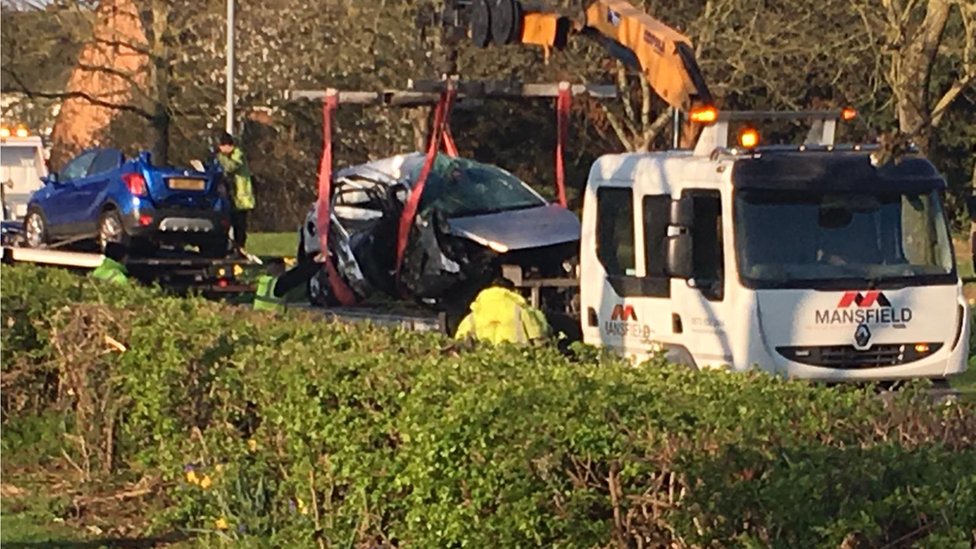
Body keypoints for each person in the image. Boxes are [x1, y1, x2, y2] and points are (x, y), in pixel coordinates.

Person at [454, 276, 550, 345]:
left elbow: (460, 339)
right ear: (512, 291)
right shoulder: (520, 310)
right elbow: (538, 337)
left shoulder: (475, 312)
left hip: (484, 363)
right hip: (517, 360)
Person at [215, 132, 255, 253]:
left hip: (241, 198)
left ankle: (240, 248)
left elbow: (231, 167)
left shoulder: (238, 154)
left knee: (240, 225)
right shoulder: (227, 156)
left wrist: (221, 158)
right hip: (230, 196)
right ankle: (229, 247)